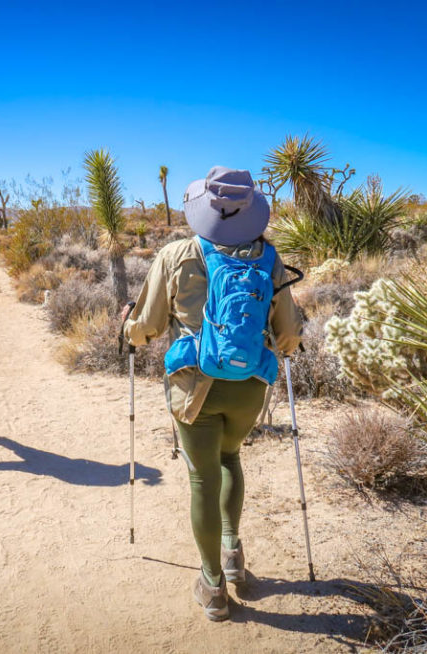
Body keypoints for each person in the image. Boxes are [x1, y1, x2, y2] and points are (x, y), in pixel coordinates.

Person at [123, 166, 302, 621]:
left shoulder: (177, 255)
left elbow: (148, 326)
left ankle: (213, 586)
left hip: (195, 387)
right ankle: (233, 554)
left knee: (202, 478)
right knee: (230, 459)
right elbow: (288, 333)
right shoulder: (269, 258)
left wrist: (129, 330)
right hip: (249, 387)